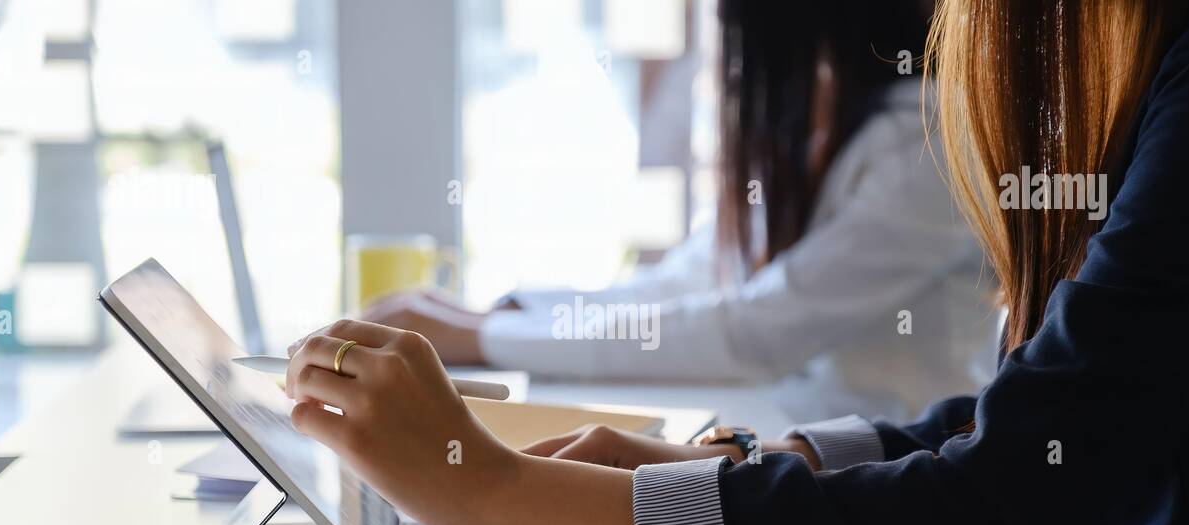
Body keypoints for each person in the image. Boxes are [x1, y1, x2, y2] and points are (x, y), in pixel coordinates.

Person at [285, 0, 1189, 525]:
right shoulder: (1157, 67)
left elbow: (976, 519)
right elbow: (1035, 421)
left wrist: (493, 487)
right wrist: (744, 462)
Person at [361, 0, 998, 424]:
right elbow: (695, 278)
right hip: (802, 436)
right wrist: (501, 317)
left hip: (894, 472)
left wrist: (483, 339)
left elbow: (753, 331)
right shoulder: (836, 115)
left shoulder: (932, 139)